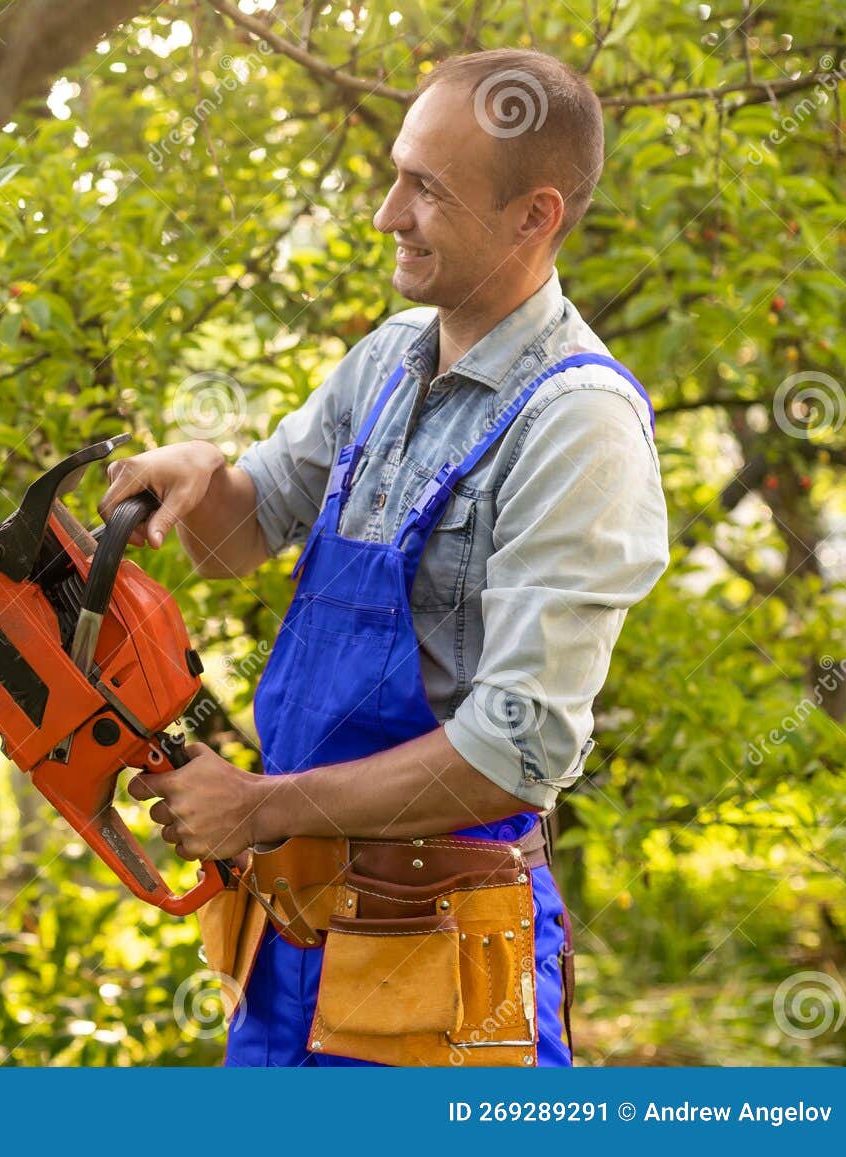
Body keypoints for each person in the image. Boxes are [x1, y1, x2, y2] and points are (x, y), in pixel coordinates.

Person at [99, 48, 669, 1067]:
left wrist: (257, 806)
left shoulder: (578, 425)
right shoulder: (389, 359)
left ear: (534, 216)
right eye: (397, 174)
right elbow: (238, 536)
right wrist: (201, 472)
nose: (385, 215)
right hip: (293, 932)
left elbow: (515, 750)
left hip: (444, 950)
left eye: (427, 190)